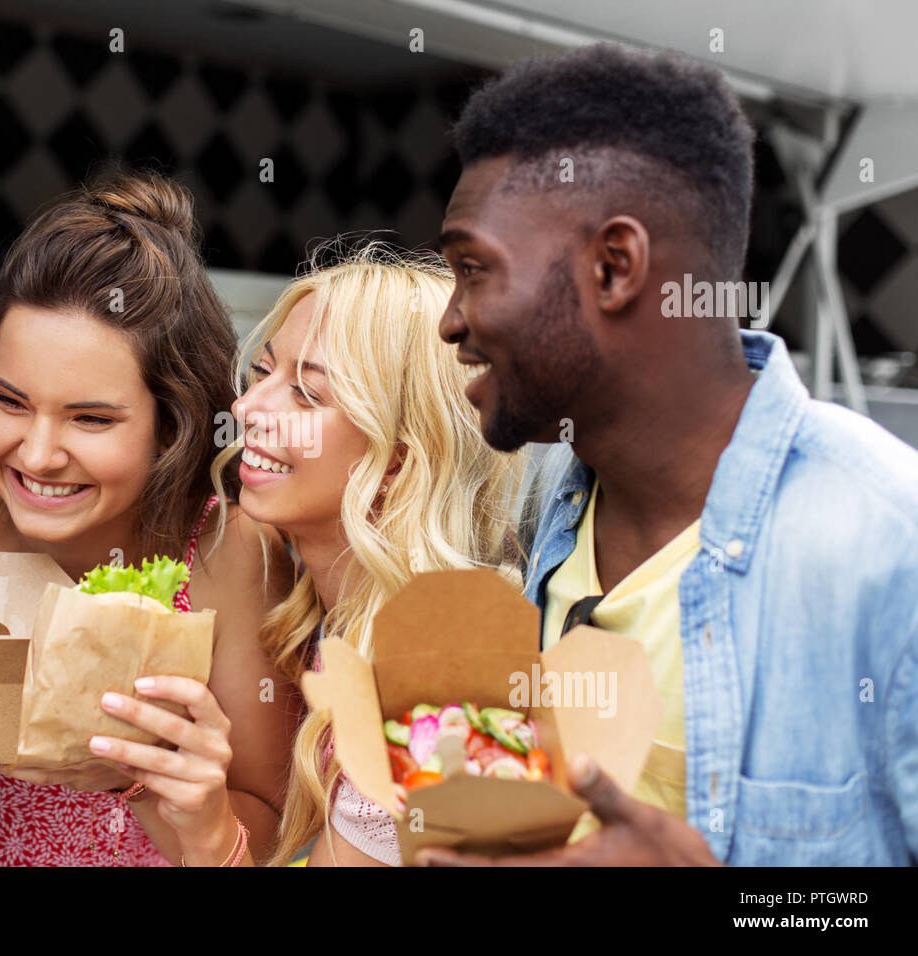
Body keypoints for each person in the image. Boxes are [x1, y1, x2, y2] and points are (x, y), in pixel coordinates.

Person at [426, 43, 918, 866]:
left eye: (473, 269)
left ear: (614, 267)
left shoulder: (888, 547)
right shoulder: (536, 510)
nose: (450, 321)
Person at [0, 168, 299, 867]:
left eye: (91, 419)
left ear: (174, 425)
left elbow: (271, 825)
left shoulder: (230, 554)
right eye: (10, 402)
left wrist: (146, 779)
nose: (38, 455)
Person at [187, 243, 525, 865]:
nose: (247, 409)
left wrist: (205, 826)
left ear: (397, 459)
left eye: (307, 395)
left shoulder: (427, 693)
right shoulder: (341, 615)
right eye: (263, 372)